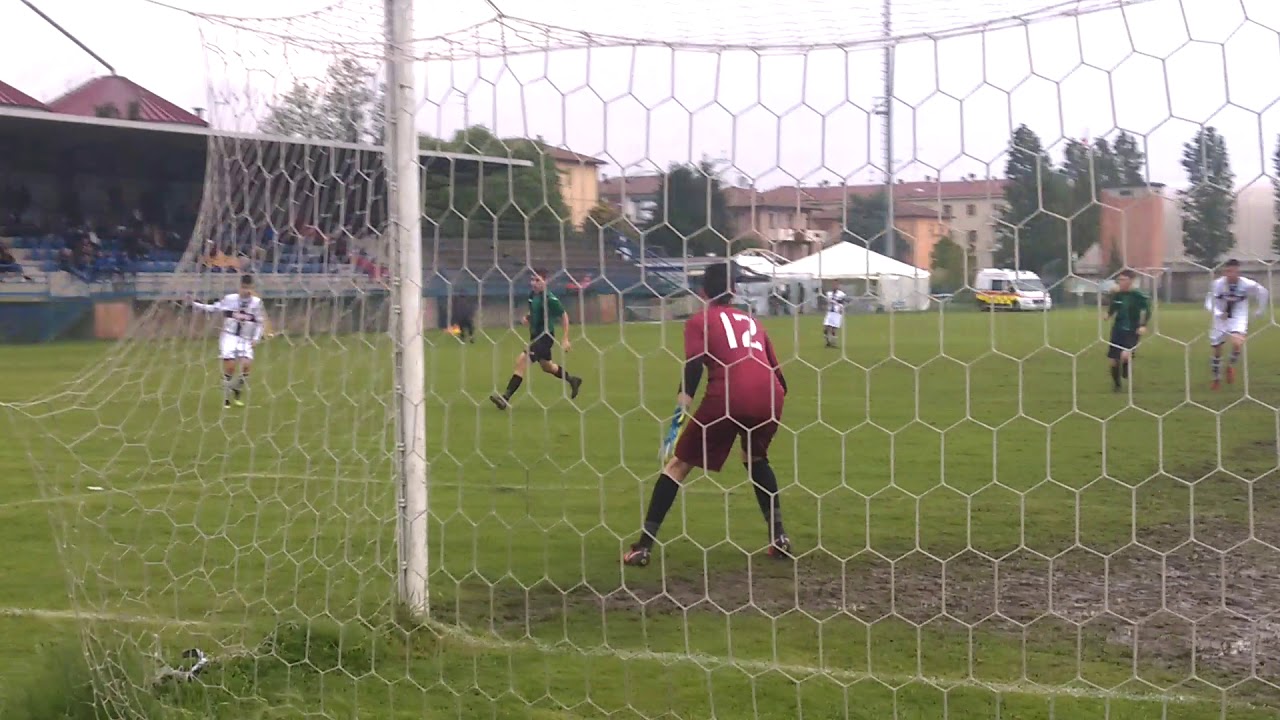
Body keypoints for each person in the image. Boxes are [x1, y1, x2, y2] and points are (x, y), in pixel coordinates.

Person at [624, 262, 792, 567]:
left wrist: (681, 407)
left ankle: (643, 547)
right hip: (771, 395)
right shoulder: (753, 322)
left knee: (677, 466)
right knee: (755, 460)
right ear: (735, 290)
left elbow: (694, 365)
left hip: (729, 394)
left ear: (703, 292)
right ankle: (779, 537)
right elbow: (781, 379)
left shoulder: (699, 321)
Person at [490, 269, 583, 409]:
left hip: (545, 337)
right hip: (535, 337)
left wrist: (565, 338)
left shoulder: (550, 298)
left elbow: (564, 315)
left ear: (545, 281)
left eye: (538, 280)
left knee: (521, 360)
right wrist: (528, 317)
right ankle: (572, 380)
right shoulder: (533, 295)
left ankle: (505, 398)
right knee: (547, 367)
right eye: (533, 279)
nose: (534, 283)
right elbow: (534, 309)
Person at [188, 274, 266, 408]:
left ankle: (236, 388)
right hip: (229, 336)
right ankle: (226, 398)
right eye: (243, 287)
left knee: (247, 366)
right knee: (230, 367)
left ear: (252, 288)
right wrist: (195, 304)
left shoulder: (256, 303)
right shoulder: (230, 299)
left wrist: (256, 338)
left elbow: (260, 322)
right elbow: (214, 308)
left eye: (248, 288)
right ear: (239, 287)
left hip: (245, 338)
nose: (245, 290)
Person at [1206, 259, 1269, 390]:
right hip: (1220, 318)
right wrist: (1218, 313)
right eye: (1228, 271)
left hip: (1238, 317)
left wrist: (1260, 310)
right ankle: (1216, 378)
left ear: (1238, 272)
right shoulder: (1217, 284)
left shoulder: (1246, 284)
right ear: (1224, 271)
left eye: (1234, 271)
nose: (1231, 274)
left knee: (1237, 342)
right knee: (1217, 349)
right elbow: (1208, 303)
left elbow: (1263, 292)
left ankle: (1230, 366)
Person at [1105, 270, 1150, 392]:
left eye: (1123, 280)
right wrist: (1108, 315)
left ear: (1131, 281)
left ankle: (1126, 367)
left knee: (1125, 355)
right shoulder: (1118, 295)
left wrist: (1143, 325)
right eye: (1119, 280)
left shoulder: (1138, 295)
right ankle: (1117, 385)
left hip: (1132, 330)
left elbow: (1146, 310)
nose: (1120, 282)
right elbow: (1114, 306)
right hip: (1117, 329)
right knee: (1113, 360)